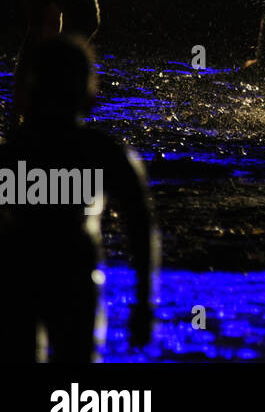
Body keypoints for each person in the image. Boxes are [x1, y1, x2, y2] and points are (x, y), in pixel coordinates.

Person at [0, 35, 156, 362]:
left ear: (30, 92)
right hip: (74, 280)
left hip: (19, 281)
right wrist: (143, 302)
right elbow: (140, 226)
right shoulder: (103, 152)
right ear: (87, 91)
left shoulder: (13, 155)